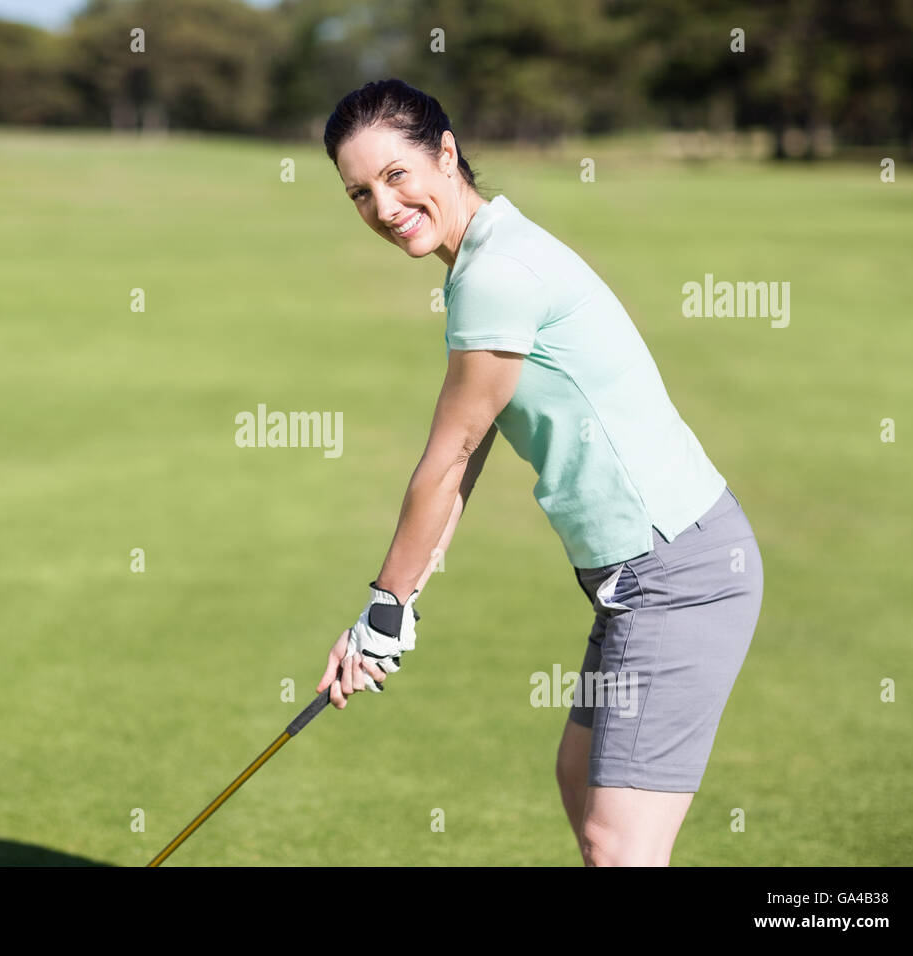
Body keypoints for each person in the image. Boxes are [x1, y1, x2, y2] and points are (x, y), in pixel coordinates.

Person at [315, 79, 763, 866]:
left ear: (446, 154)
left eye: (396, 176)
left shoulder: (497, 273)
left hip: (677, 574)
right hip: (637, 577)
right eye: (360, 193)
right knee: (580, 780)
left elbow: (449, 453)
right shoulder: (485, 255)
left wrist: (383, 607)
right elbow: (474, 449)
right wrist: (404, 599)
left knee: (617, 844)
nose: (383, 207)